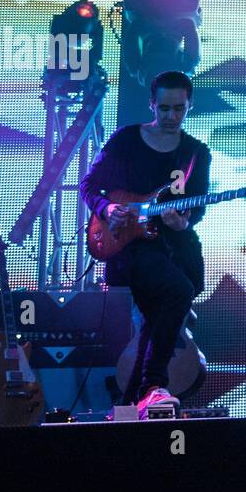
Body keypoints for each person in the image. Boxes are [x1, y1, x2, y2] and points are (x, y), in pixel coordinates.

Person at [80, 70, 212, 417]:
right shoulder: (126, 140)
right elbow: (89, 186)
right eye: (164, 108)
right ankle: (153, 386)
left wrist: (182, 222)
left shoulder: (195, 153)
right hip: (129, 245)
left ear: (189, 106)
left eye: (179, 109)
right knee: (176, 292)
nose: (171, 116)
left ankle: (129, 406)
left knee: (159, 319)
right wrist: (107, 209)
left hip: (171, 246)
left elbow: (194, 207)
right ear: (152, 104)